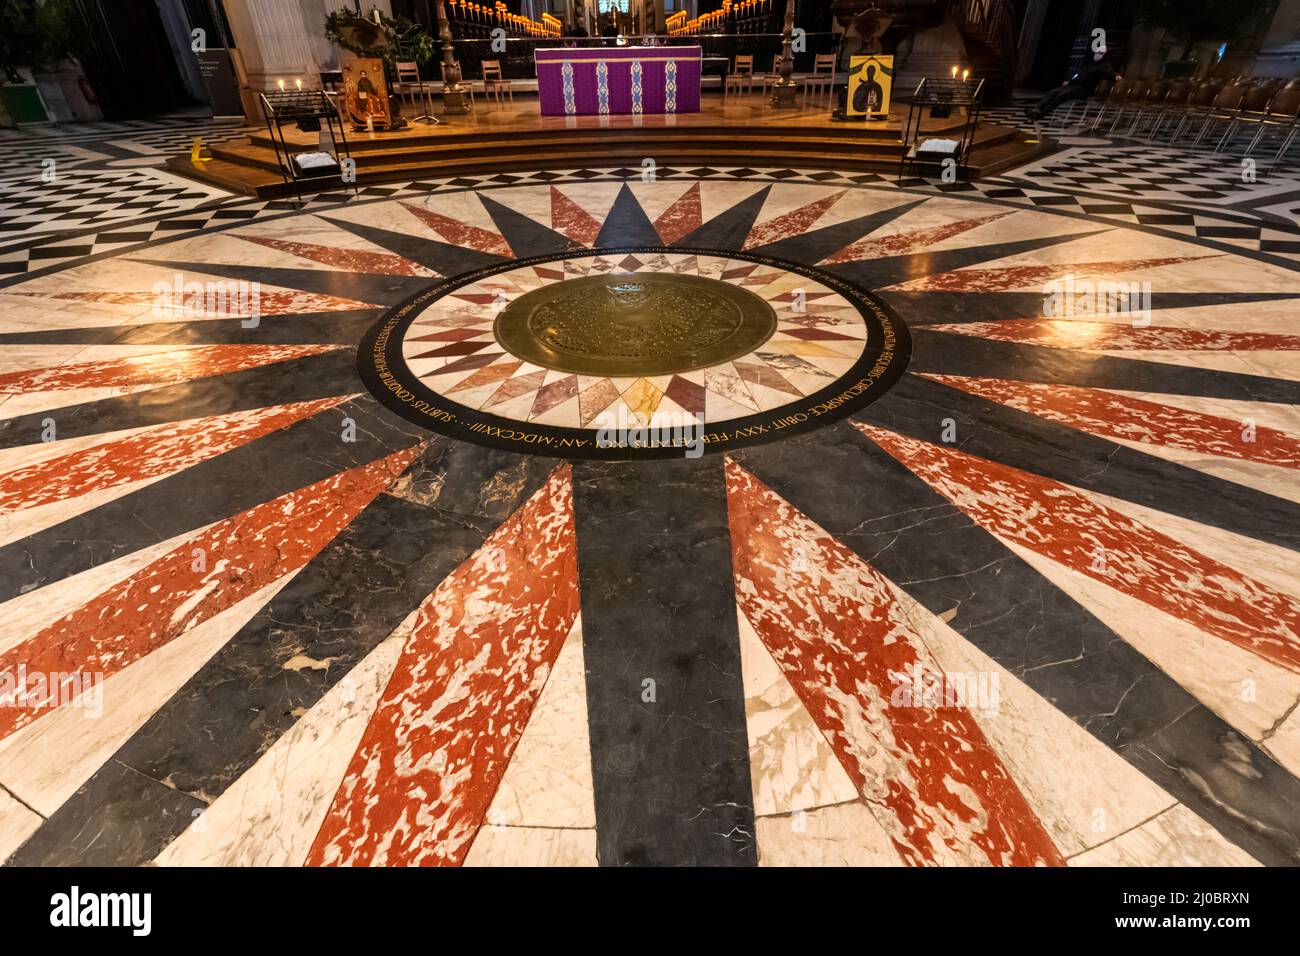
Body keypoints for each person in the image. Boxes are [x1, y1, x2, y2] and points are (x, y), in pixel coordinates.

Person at [1025, 49, 1118, 121]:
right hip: (1074, 86)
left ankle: (1040, 115)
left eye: (1100, 53)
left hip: (1084, 90)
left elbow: (1110, 73)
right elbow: (1079, 75)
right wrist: (1069, 82)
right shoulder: (1091, 65)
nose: (1097, 54)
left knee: (1061, 96)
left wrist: (1116, 77)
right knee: (1053, 92)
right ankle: (1037, 108)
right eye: (1097, 52)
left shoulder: (1105, 66)